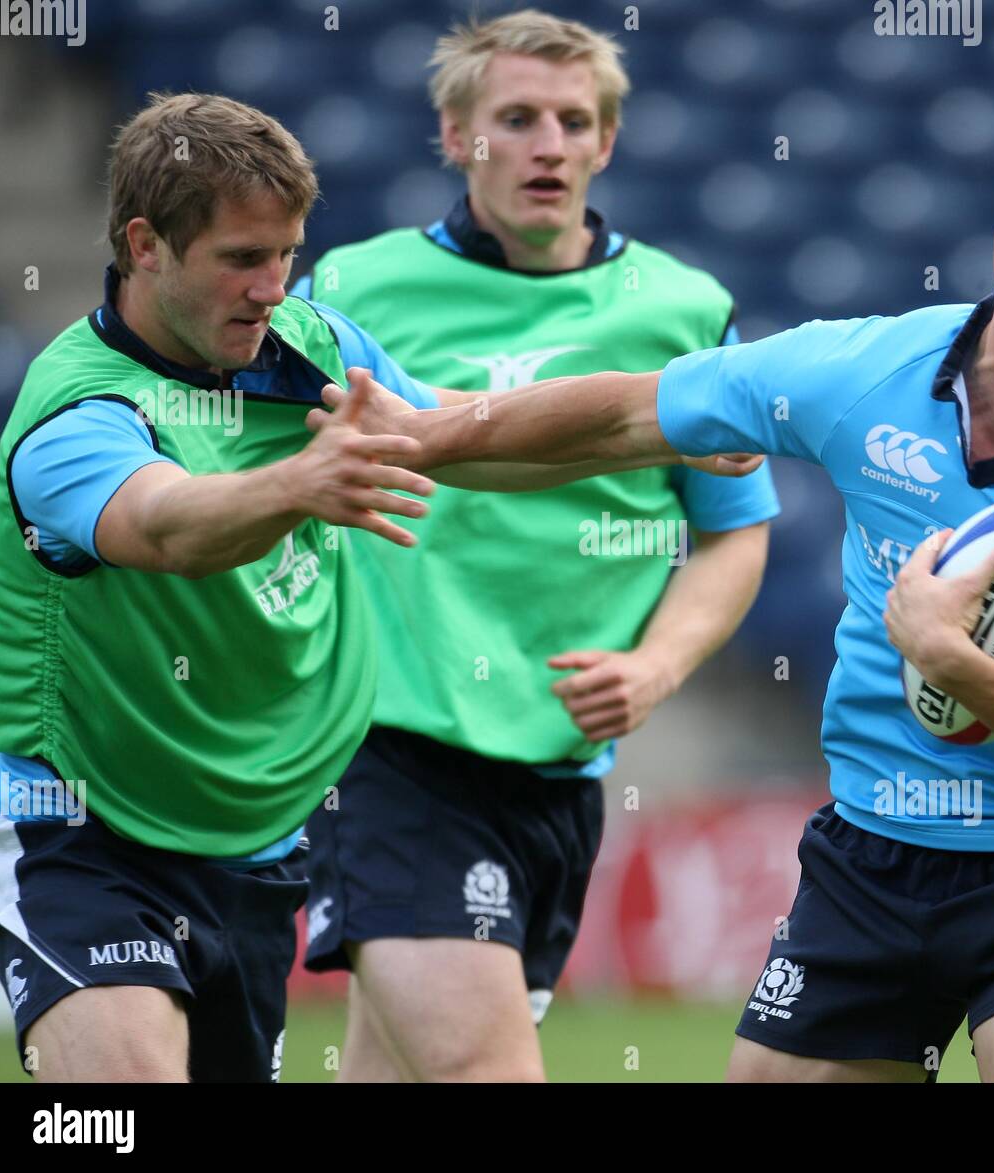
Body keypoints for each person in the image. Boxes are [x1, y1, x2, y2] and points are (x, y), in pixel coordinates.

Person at [317, 132, 994, 1083]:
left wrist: (953, 660)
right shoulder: (867, 373)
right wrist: (426, 434)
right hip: (875, 856)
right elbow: (629, 412)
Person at [0, 91, 749, 1083]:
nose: (271, 288)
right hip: (83, 825)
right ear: (145, 245)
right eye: (240, 260)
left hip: (252, 844)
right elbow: (164, 526)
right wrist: (297, 483)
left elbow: (480, 433)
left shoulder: (310, 351)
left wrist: (672, 414)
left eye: (286, 255)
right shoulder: (77, 413)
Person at [292, 9, 778, 1082]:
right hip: (389, 744)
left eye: (572, 121)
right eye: (514, 119)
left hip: (558, 770)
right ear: (456, 133)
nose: (546, 145)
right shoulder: (354, 290)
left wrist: (655, 666)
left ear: (606, 141)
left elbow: (734, 538)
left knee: (391, 1069)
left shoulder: (682, 309)